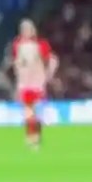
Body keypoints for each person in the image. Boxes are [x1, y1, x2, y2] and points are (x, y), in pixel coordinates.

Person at [9, 18, 57, 150]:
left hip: (36, 83)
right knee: (28, 112)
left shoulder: (40, 44)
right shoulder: (18, 45)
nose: (25, 32)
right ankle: (32, 138)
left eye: (27, 29)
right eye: (23, 30)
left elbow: (52, 60)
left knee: (35, 112)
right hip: (26, 85)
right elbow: (17, 65)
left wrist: (47, 75)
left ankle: (35, 137)